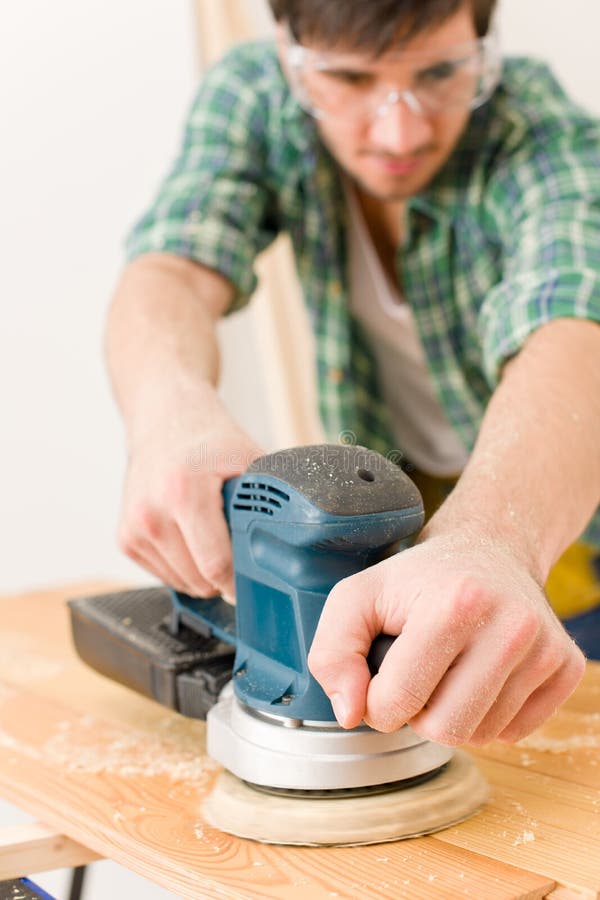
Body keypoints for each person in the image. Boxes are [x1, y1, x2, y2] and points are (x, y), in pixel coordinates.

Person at [106, 0, 600, 747]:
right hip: (409, 493)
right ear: (289, 50)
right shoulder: (255, 94)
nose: (399, 131)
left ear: (483, 39)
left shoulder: (538, 128)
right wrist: (168, 409)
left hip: (555, 504)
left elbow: (575, 330)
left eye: (440, 73)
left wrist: (496, 541)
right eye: (347, 78)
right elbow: (169, 269)